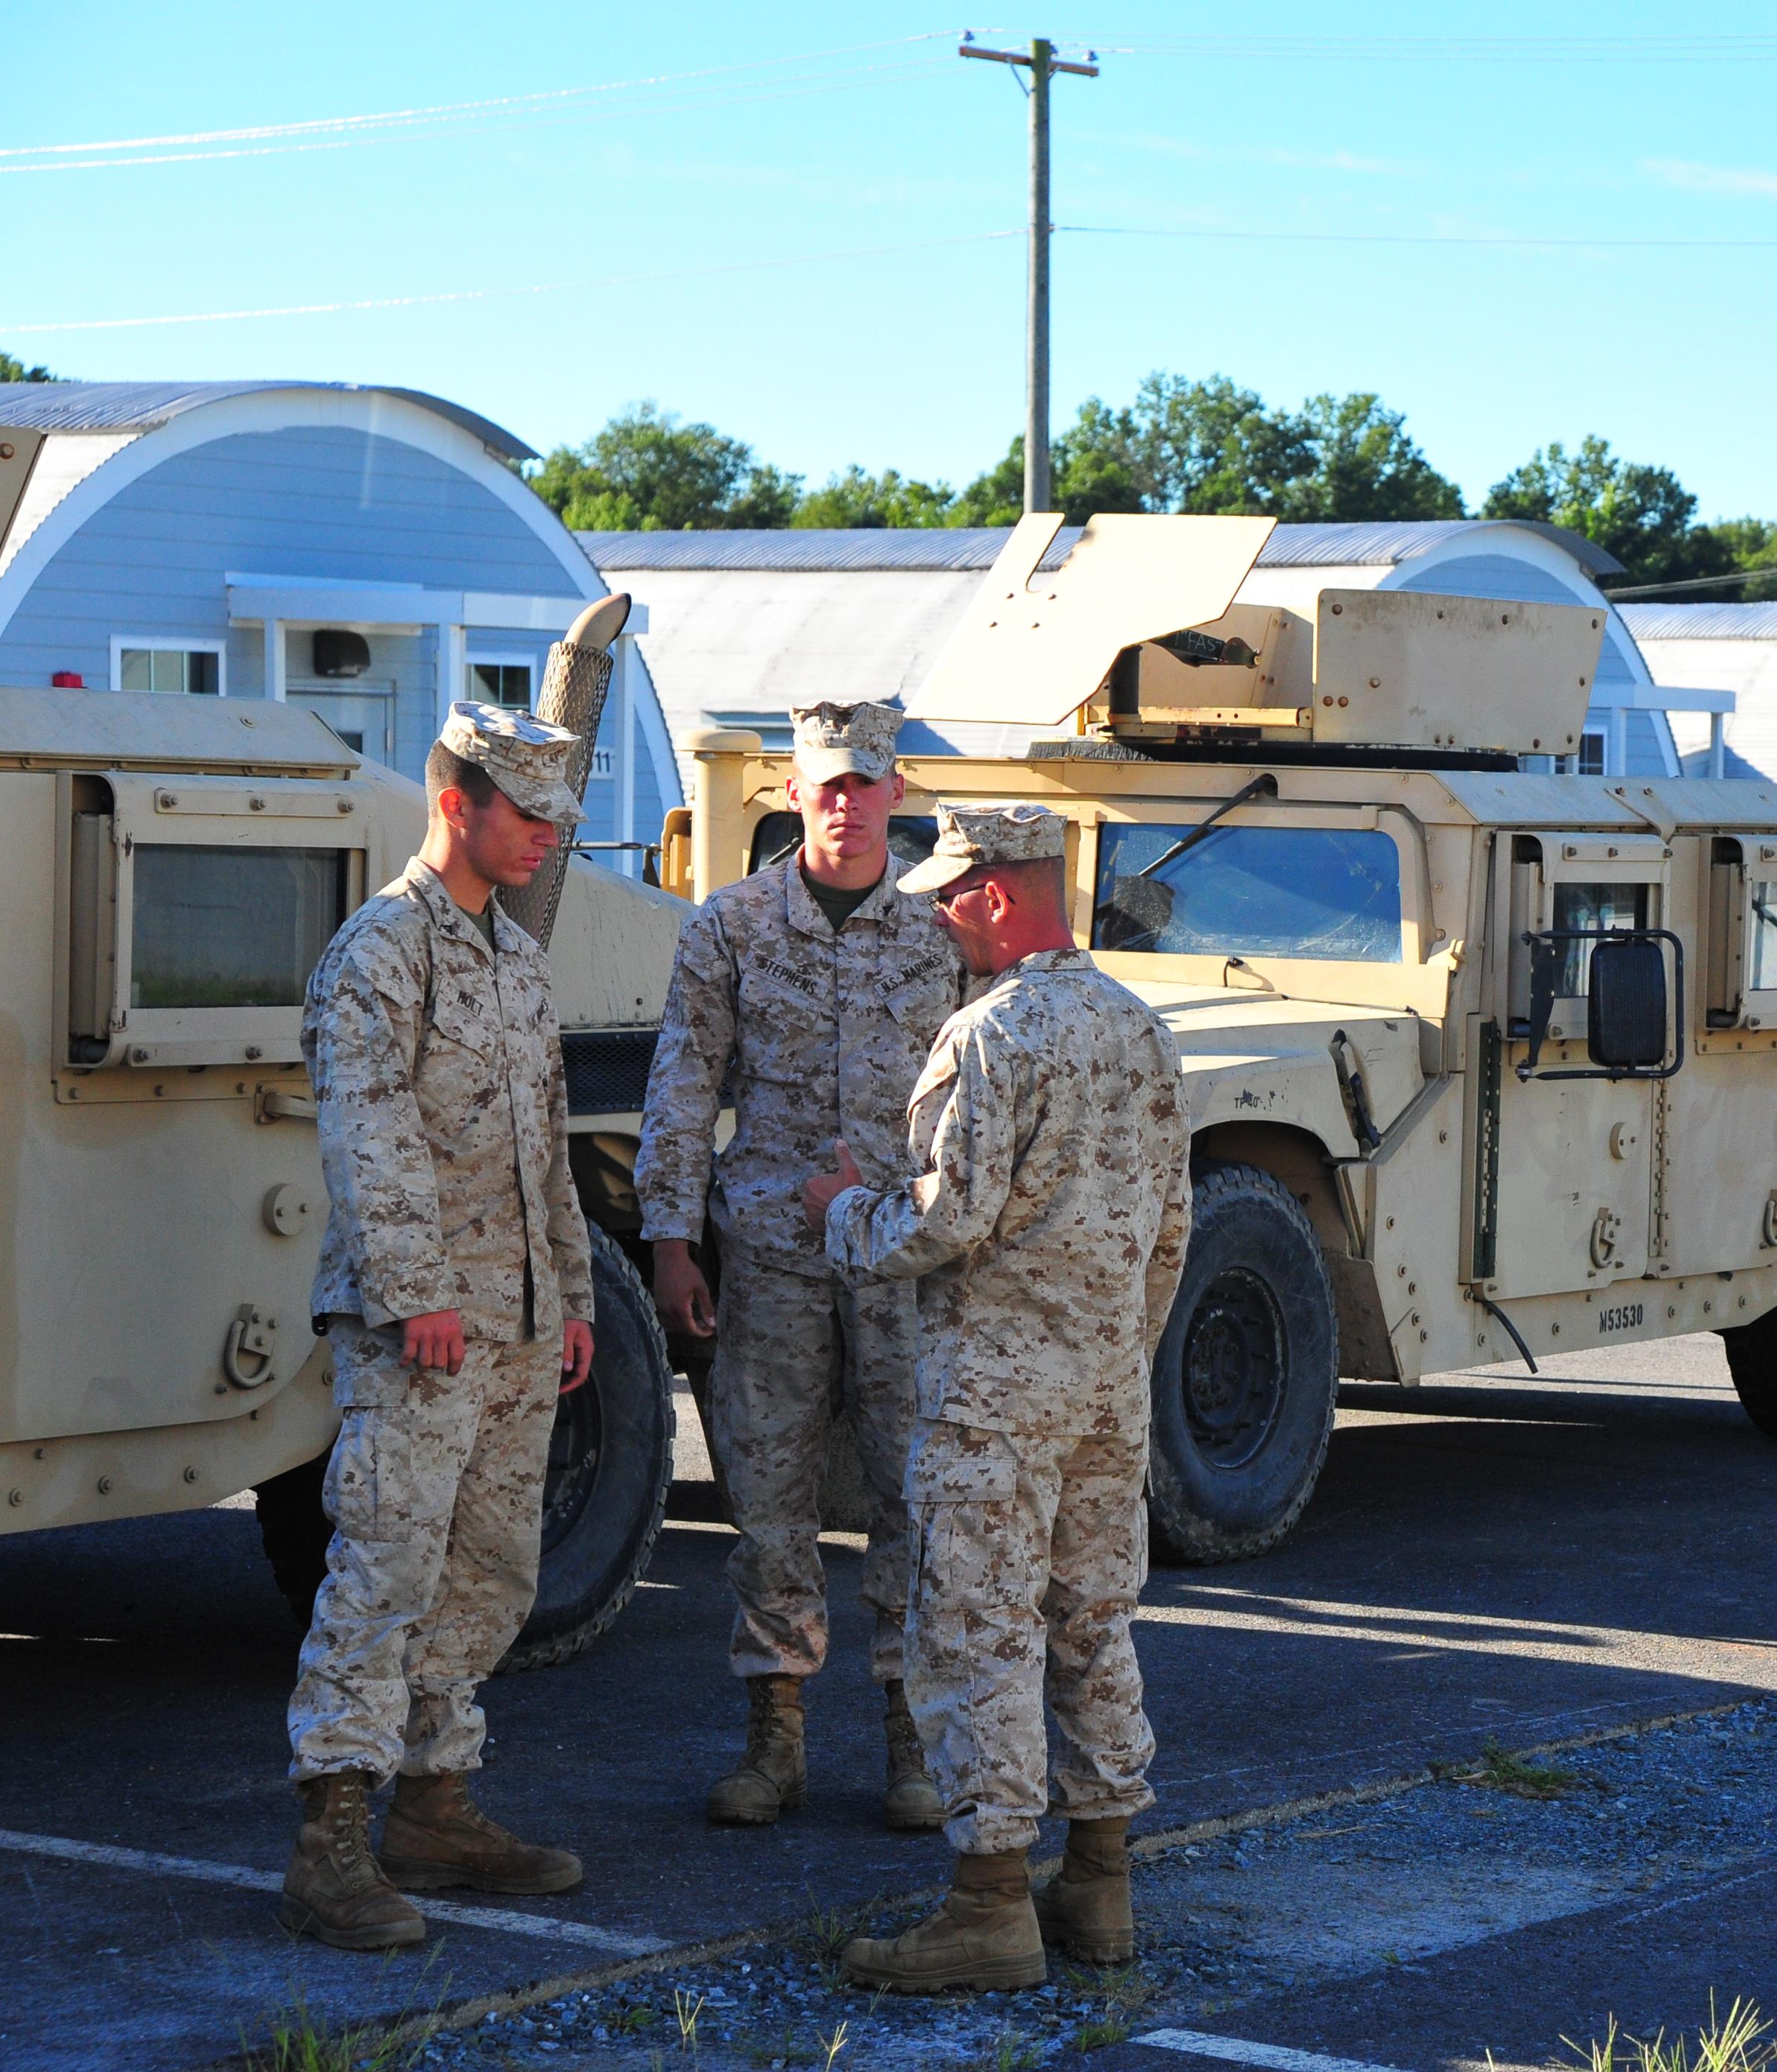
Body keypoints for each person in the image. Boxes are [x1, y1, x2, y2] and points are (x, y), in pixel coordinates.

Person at [802, 803, 1192, 1994]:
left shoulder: (992, 1033)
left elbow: (944, 1217)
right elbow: (1171, 1228)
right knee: (1093, 1619)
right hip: (1106, 1389)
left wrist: (841, 1208)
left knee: (977, 1626)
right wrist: (1117, 1346)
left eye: (946, 897)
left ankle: (987, 1904)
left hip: (992, 1397)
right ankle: (1102, 1882)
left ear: (997, 895)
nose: (932, 916)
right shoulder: (1141, 1028)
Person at [280, 702, 598, 1952]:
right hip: (421, 1327)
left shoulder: (516, 958)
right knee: (385, 1570)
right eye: (529, 812)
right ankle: (329, 1845)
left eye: (560, 816)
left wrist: (568, 1299)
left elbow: (549, 1151)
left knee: (486, 1572)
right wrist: (419, 1290)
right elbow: (368, 1136)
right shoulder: (381, 953)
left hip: (515, 1326)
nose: (548, 837)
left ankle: (436, 1802)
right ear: (457, 803)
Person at [637, 700, 965, 1828]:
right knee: (766, 1497)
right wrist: (672, 1241)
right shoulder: (728, 929)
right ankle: (774, 1739)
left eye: (866, 782)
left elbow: (978, 1104)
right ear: (792, 791)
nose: (846, 800)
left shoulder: (941, 935)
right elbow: (684, 1088)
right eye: (827, 782)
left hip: (902, 1257)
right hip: (770, 1256)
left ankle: (914, 1742)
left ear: (897, 793)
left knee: (915, 1493)